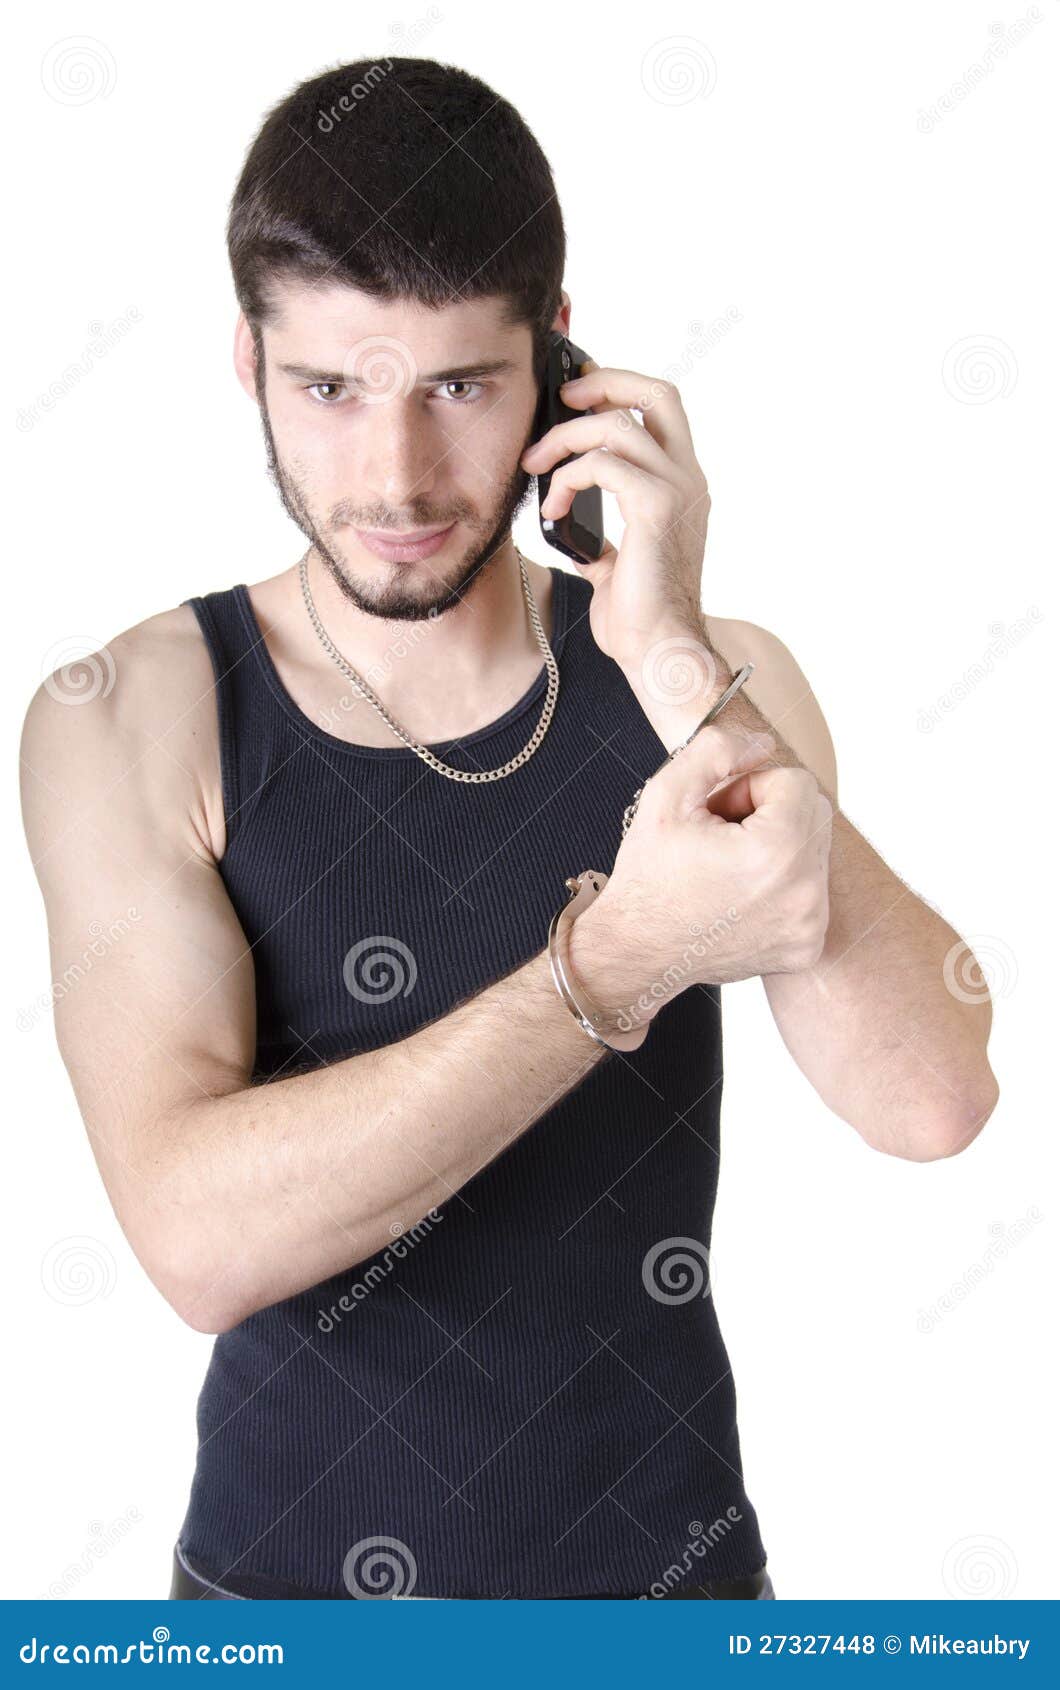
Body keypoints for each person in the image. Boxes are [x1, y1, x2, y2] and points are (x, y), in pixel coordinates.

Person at [19, 57, 999, 1603]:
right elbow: (194, 1235)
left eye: (459, 388)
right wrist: (612, 962)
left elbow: (933, 1098)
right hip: (283, 1612)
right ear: (247, 360)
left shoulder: (709, 681)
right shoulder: (127, 714)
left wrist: (668, 644)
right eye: (330, 389)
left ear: (561, 367)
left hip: (666, 1604)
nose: (395, 476)